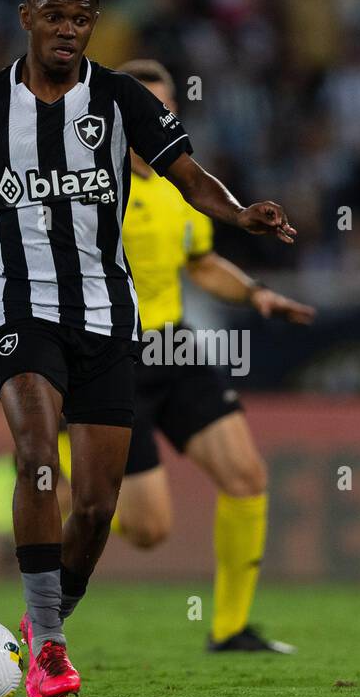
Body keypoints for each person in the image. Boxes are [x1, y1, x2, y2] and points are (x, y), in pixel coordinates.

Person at [0, 0, 296, 697]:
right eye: (55, 15)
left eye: (82, 18)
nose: (69, 29)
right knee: (37, 454)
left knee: (98, 505)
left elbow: (191, 179)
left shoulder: (123, 100)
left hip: (107, 314)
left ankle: (43, 624)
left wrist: (239, 212)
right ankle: (52, 649)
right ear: (27, 19)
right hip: (17, 305)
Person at [105, 58, 313, 652]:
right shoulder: (93, 187)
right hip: (110, 356)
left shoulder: (180, 188)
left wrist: (255, 293)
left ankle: (230, 628)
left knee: (246, 476)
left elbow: (200, 264)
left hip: (171, 344)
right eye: (143, 107)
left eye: (163, 109)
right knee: (149, 530)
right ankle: (71, 485)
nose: (155, 118)